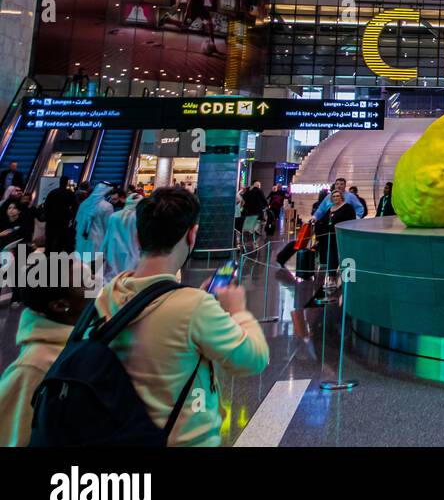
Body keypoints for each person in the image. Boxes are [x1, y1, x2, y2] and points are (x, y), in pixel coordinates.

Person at [93, 186, 270, 445]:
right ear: (192, 235)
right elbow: (252, 359)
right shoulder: (193, 307)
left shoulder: (109, 293)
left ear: (138, 238)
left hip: (123, 434)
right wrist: (238, 311)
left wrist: (191, 300)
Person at [0, 271, 93, 446]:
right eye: (86, 281)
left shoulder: (85, 336)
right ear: (60, 305)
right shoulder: (32, 367)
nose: (98, 282)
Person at [308, 188, 357, 305]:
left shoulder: (347, 208)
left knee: (341, 257)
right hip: (329, 239)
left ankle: (346, 281)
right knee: (331, 257)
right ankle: (331, 279)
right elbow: (324, 221)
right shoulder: (330, 209)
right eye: (334, 196)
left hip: (341, 238)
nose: (335, 198)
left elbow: (350, 221)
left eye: (338, 196)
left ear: (342, 197)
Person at [102, 190, 142, 279]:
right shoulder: (140, 218)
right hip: (133, 254)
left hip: (114, 252)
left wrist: (102, 252)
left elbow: (107, 237)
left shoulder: (114, 216)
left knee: (112, 280)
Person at [74, 183, 116, 264]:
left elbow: (77, 222)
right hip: (98, 243)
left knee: (82, 269)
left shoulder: (84, 204)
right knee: (96, 272)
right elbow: (109, 228)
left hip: (82, 241)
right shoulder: (107, 206)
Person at [39, 180, 79, 254]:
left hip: (51, 221)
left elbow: (46, 205)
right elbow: (75, 207)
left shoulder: (52, 192)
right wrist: (72, 218)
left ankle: (47, 255)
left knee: (49, 240)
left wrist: (46, 216)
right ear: (67, 184)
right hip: (63, 221)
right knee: (60, 241)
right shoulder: (70, 193)